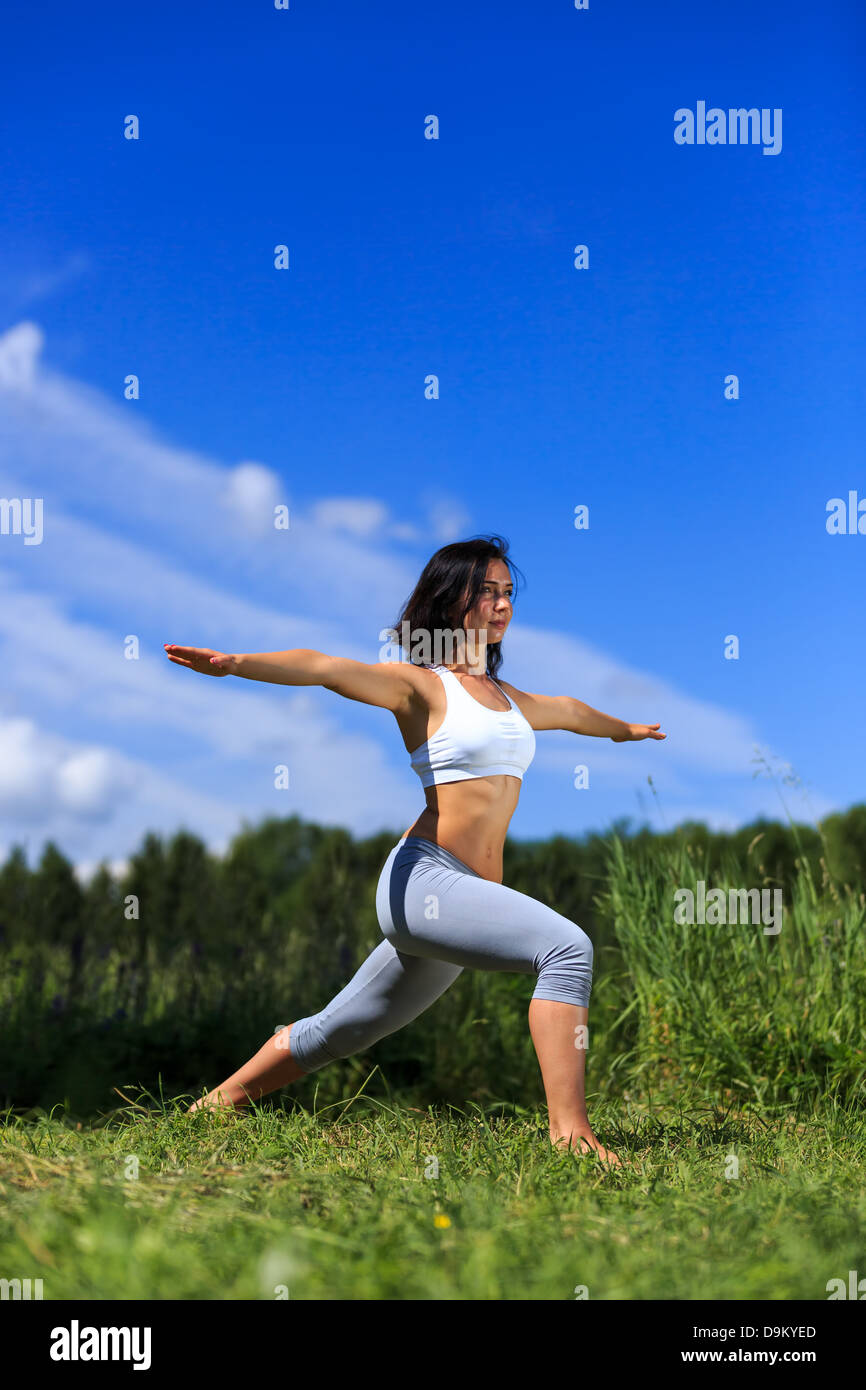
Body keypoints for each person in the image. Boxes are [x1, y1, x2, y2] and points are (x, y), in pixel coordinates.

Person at [164, 535, 665, 1165]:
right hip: (424, 881)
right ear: (451, 597)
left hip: (467, 898)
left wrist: (625, 731)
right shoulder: (422, 688)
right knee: (567, 949)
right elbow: (325, 668)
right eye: (487, 590)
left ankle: (213, 1107)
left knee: (340, 1030)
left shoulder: (513, 702)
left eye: (508, 592)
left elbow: (568, 711)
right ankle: (570, 1133)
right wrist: (238, 663)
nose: (502, 604)